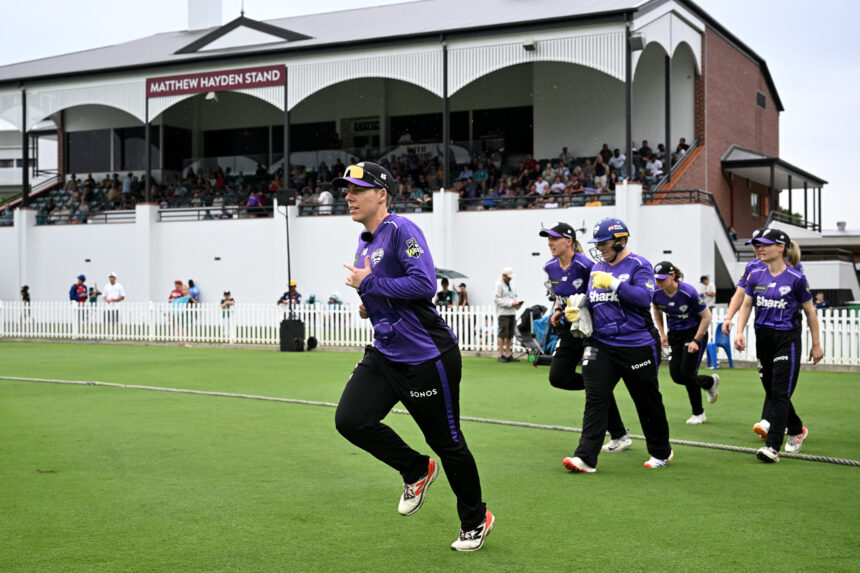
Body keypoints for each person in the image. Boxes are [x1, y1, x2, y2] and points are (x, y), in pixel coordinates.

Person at [333, 161, 494, 552]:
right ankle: (415, 468)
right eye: (347, 190)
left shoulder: (402, 229)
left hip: (426, 357)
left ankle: (476, 520)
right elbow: (387, 291)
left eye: (358, 189)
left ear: (382, 194)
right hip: (386, 353)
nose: (349, 196)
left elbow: (424, 284)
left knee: (449, 443)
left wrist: (369, 282)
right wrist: (370, 304)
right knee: (351, 421)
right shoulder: (364, 240)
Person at [562, 217, 672, 473]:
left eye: (605, 243)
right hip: (601, 343)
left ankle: (661, 451)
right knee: (595, 398)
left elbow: (644, 298)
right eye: (598, 244)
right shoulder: (597, 267)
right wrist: (577, 310)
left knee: (646, 400)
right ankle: (585, 458)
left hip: (636, 344)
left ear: (621, 240)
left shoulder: (638, 265)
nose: (600, 248)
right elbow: (594, 300)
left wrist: (614, 283)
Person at [540, 222, 632, 453]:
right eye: (548, 239)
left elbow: (596, 295)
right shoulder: (549, 266)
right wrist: (558, 311)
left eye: (554, 239)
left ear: (568, 242)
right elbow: (560, 296)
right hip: (566, 329)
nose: (550, 243)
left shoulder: (586, 265)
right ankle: (598, 387)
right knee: (558, 377)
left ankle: (619, 434)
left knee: (595, 387)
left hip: (591, 329)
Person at [734, 228, 823, 462]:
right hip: (763, 339)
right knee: (772, 392)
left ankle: (772, 447)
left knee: (780, 392)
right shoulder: (755, 276)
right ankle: (796, 429)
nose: (759, 248)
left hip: (787, 340)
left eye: (765, 244)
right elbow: (746, 305)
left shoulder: (796, 278)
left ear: (781, 247)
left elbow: (811, 313)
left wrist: (816, 345)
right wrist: (739, 331)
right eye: (757, 244)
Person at [652, 261, 720, 425]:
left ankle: (699, 413)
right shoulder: (656, 293)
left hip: (694, 333)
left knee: (688, 373)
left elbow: (707, 316)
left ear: (672, 276)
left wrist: (696, 340)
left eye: (662, 279)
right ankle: (709, 382)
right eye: (657, 279)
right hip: (674, 335)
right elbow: (656, 310)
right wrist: (662, 333)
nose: (659, 282)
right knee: (677, 376)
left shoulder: (687, 292)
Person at [494, 267, 524, 363]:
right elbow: (497, 300)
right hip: (503, 313)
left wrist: (517, 303)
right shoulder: (498, 284)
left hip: (512, 312)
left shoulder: (512, 284)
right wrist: (510, 304)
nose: (510, 279)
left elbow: (514, 296)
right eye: (509, 277)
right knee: (502, 333)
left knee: (510, 334)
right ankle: (501, 354)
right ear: (504, 275)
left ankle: (508, 354)